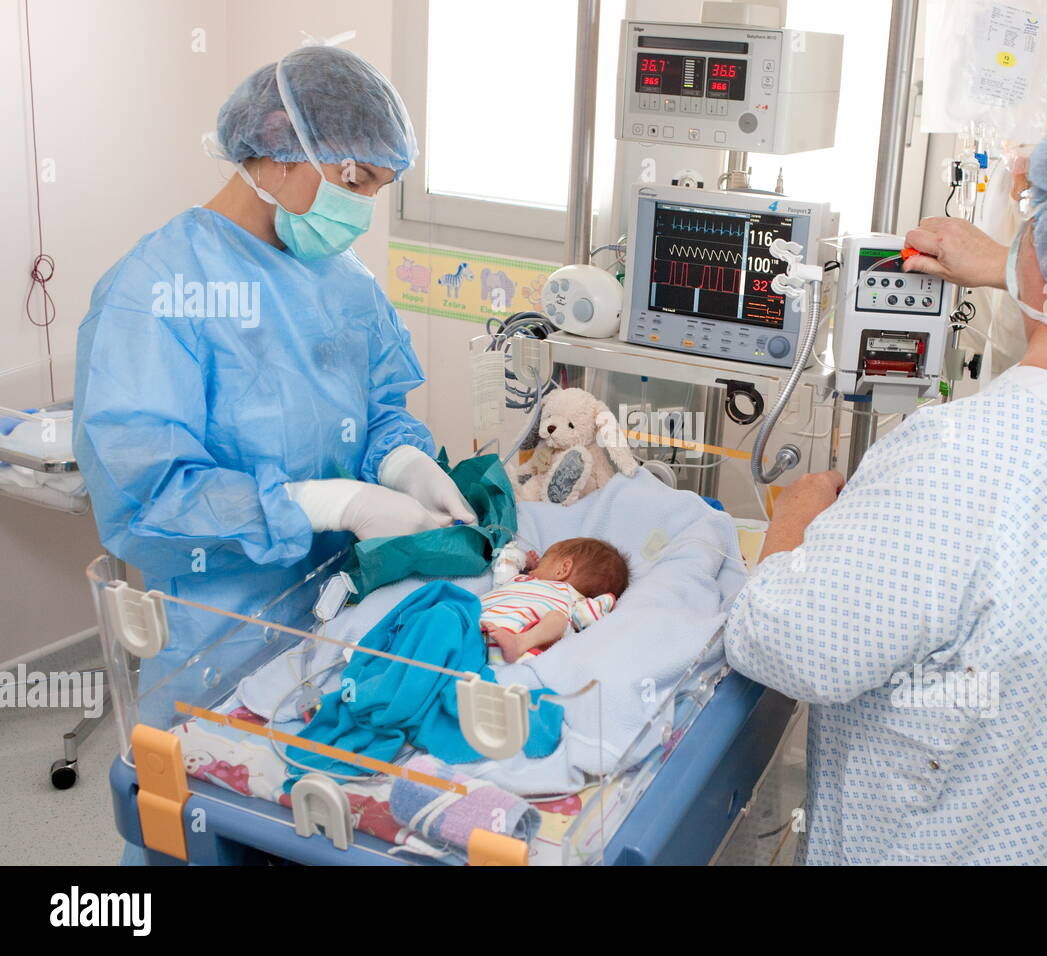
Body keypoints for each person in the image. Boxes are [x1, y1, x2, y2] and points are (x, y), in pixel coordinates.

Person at [724, 99, 1047, 865]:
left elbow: (789, 645)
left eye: (1034, 213)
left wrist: (790, 528)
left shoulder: (961, 458)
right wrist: (1012, 264)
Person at [75, 43, 474, 718]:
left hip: (343, 617)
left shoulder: (343, 281)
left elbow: (377, 409)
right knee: (212, 807)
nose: (365, 209)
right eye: (356, 182)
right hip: (221, 642)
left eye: (378, 189)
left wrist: (404, 463)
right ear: (285, 150)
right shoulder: (156, 294)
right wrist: (333, 505)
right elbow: (149, 493)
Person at [480, 537, 630, 664]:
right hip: (476, 628)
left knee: (558, 619)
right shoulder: (519, 580)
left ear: (563, 569)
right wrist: (525, 559)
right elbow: (506, 558)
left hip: (517, 641)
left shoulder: (574, 599)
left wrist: (605, 601)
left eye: (542, 562)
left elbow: (586, 617)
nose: (533, 570)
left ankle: (520, 642)